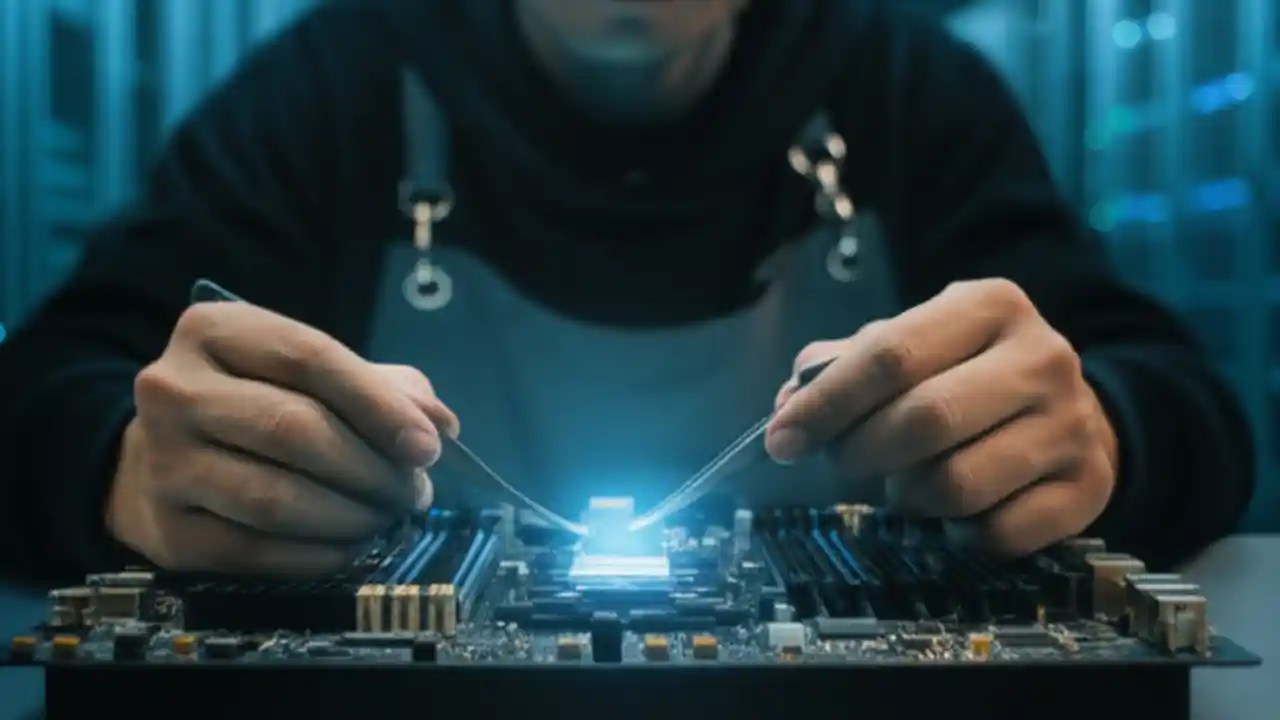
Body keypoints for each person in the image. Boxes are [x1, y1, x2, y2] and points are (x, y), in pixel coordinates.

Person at [0, 0, 1253, 582]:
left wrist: (1098, 439)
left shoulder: (913, 96)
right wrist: (121, 467)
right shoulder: (322, 94)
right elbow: (45, 392)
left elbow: (1184, 408)